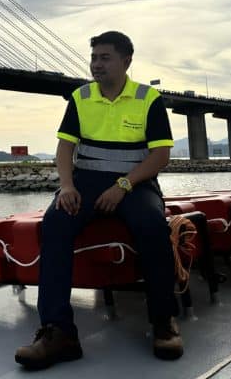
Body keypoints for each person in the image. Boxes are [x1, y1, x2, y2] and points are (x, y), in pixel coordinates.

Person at [15, 30, 181, 369]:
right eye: (93, 58)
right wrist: (66, 186)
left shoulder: (148, 98)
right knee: (56, 223)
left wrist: (123, 185)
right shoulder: (81, 97)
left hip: (136, 184)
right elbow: (65, 147)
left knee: (152, 225)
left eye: (105, 58)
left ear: (126, 61)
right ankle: (58, 331)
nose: (96, 64)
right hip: (85, 183)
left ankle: (163, 322)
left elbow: (160, 156)